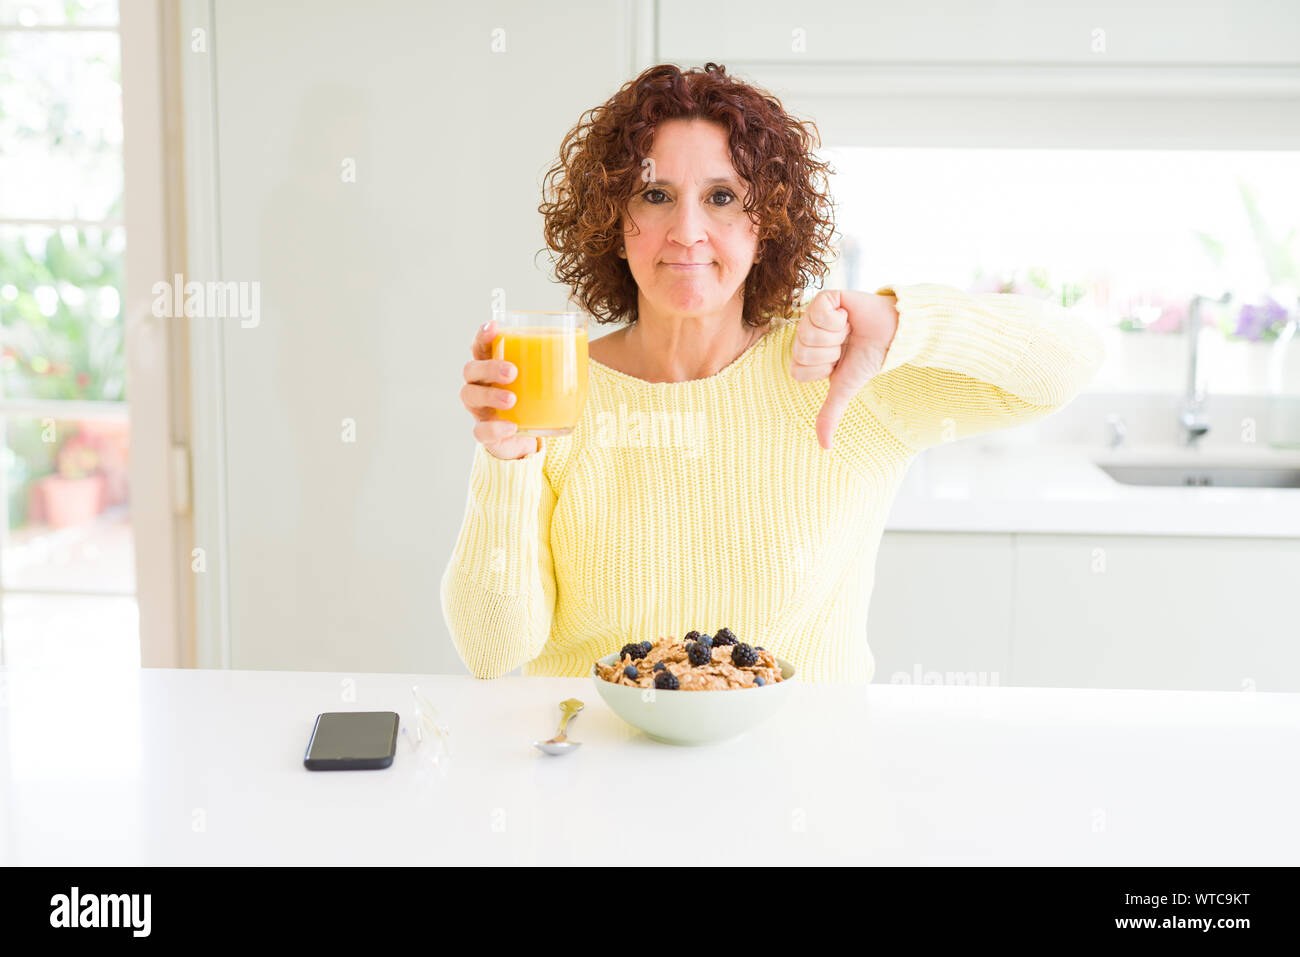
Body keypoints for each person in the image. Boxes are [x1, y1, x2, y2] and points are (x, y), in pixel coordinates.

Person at [441, 62, 1105, 682]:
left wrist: (905, 323)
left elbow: (1068, 362)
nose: (687, 230)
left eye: (723, 196)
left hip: (796, 783)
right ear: (615, 219)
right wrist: (506, 461)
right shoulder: (554, 393)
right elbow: (493, 651)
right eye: (655, 194)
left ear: (768, 225)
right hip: (594, 775)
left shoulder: (841, 370)